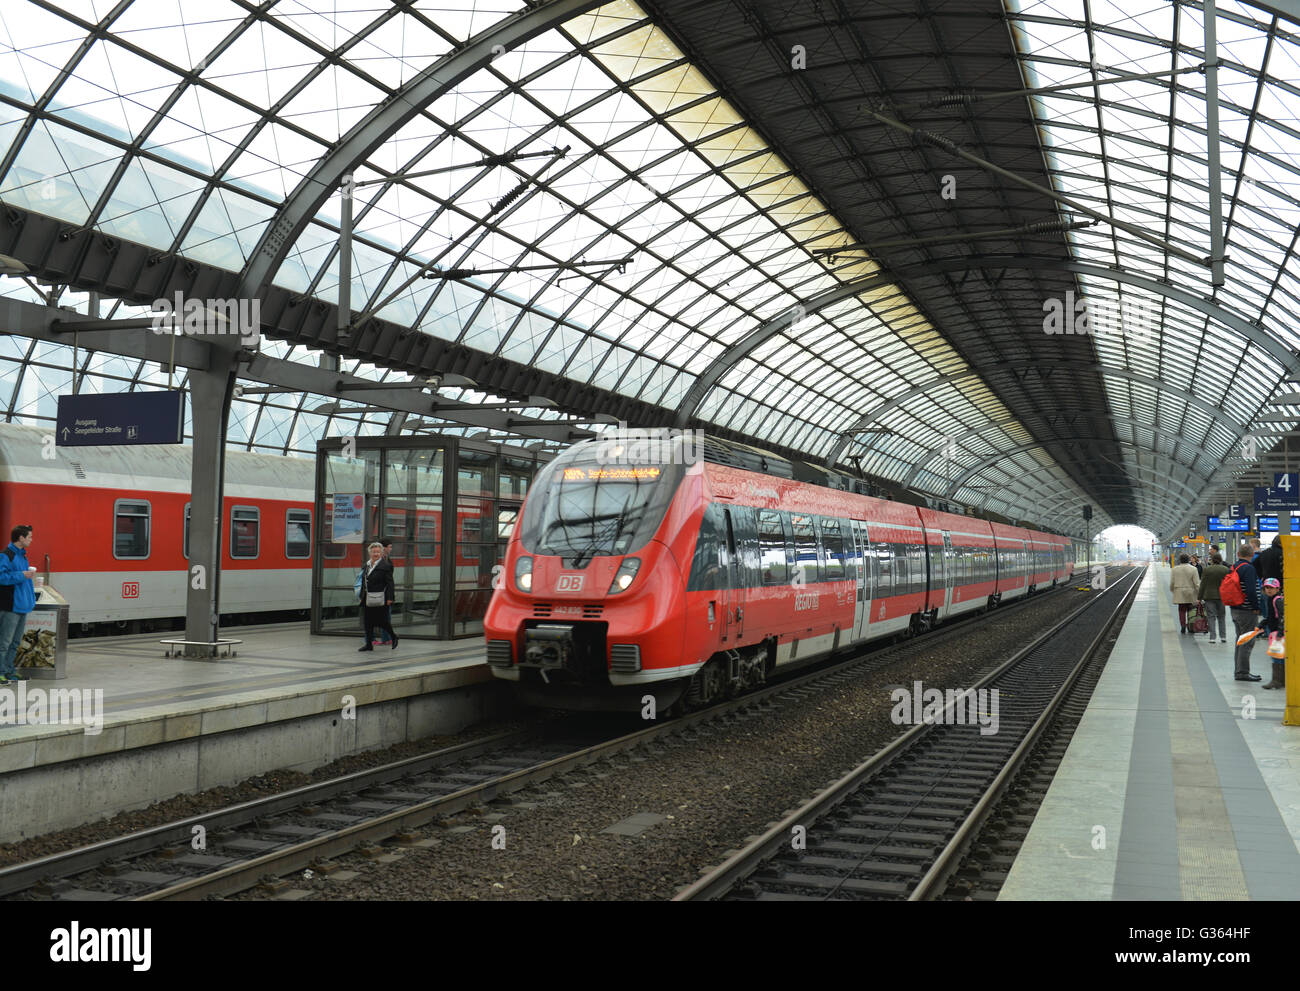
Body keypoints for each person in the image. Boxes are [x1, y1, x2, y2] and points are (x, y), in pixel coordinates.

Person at [0, 525, 36, 684]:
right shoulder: (6, 555)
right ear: (21, 538)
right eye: (29, 537)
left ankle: (9, 671)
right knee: (4, 642)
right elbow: (2, 577)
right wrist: (22, 575)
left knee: (14, 642)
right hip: (10, 606)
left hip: (22, 605)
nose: (31, 540)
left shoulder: (23, 556)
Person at [1229, 543, 1262, 681]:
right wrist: (1256, 606)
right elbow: (1250, 590)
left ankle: (1239, 671)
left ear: (1238, 554)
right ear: (1252, 555)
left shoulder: (1233, 567)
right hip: (1247, 610)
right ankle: (1242, 672)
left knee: (1240, 640)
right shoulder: (1248, 568)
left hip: (1235, 609)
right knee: (1247, 642)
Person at [358, 541, 397, 652]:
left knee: (382, 621)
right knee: (367, 622)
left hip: (380, 598)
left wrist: (390, 598)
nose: (376, 554)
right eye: (374, 552)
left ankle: (394, 636)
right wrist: (362, 595)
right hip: (368, 598)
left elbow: (390, 583)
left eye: (378, 552)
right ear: (370, 553)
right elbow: (363, 581)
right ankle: (369, 645)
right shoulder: (367, 565)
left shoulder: (385, 566)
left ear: (381, 553)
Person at [1197, 552, 1230, 643]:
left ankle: (1212, 637)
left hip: (1209, 596)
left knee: (1211, 617)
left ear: (1212, 560)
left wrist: (1199, 597)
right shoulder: (1225, 570)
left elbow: (1203, 584)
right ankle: (1223, 637)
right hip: (1222, 596)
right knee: (1221, 617)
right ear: (1220, 560)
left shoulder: (1207, 570)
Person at [1261, 578, 1285, 690]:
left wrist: (1280, 632)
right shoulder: (1271, 599)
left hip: (1277, 632)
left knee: (1277, 656)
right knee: (1278, 656)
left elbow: (1282, 617)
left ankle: (1276, 681)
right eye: (1267, 587)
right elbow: (1272, 616)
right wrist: (1263, 623)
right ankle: (1281, 680)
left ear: (1277, 589)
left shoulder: (1277, 600)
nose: (1269, 590)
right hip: (1274, 631)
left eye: (1271, 588)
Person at [1171, 553, 1200, 634]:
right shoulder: (1193, 569)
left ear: (1180, 560)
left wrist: (1173, 590)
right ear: (1188, 560)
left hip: (1179, 592)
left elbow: (1172, 582)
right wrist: (1199, 594)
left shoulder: (1175, 569)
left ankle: (1183, 625)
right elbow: (1197, 583)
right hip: (1191, 592)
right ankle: (1191, 626)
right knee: (1191, 610)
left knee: (1181, 610)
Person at [374, 537, 395, 646]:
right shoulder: (378, 560)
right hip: (379, 593)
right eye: (390, 547)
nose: (391, 549)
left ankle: (386, 638)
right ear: (384, 548)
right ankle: (372, 638)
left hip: (385, 593)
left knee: (386, 617)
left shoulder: (387, 559)